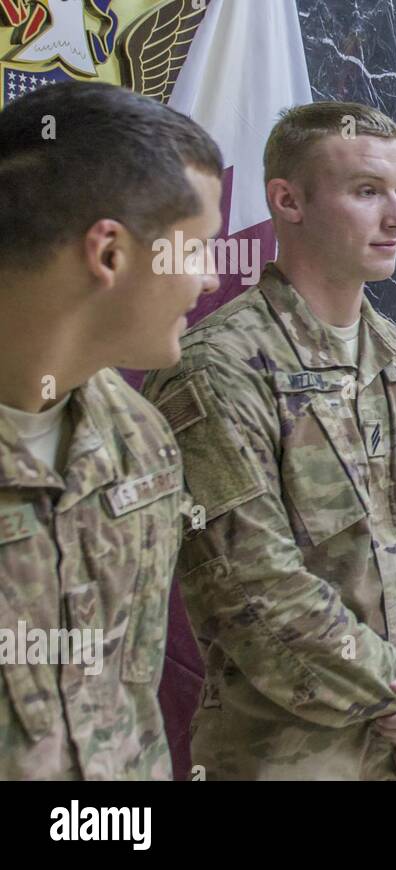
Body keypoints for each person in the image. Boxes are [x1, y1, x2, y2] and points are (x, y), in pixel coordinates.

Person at [141, 102, 396, 780]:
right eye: (367, 192)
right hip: (298, 753)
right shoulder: (220, 367)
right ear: (288, 200)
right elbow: (252, 590)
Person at [0, 81, 222, 779]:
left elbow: (128, 709)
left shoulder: (141, 444)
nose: (212, 278)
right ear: (111, 255)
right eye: (196, 249)